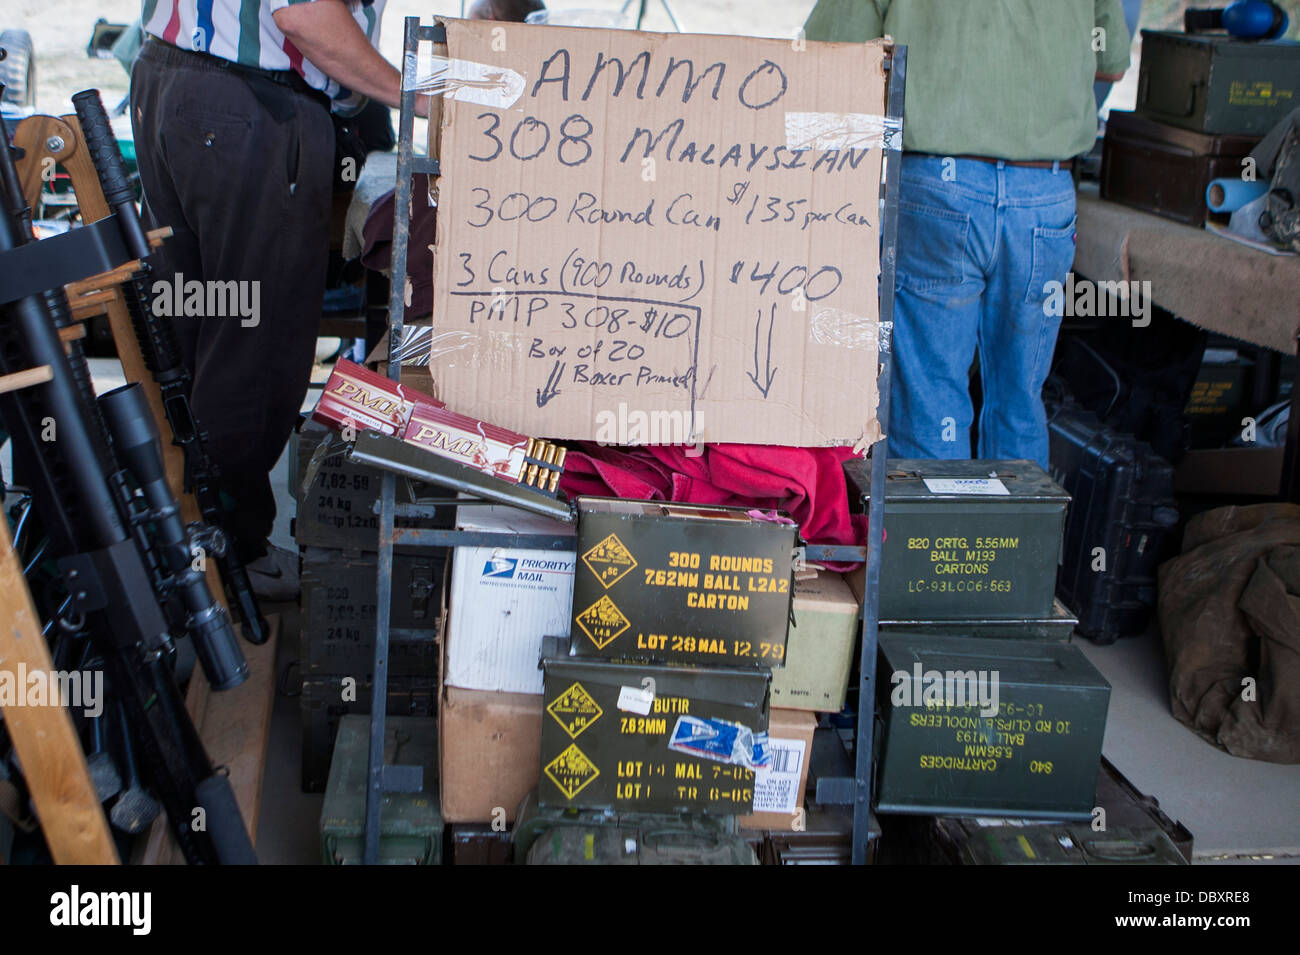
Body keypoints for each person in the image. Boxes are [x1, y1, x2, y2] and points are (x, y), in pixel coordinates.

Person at [131, 0, 422, 599]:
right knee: (254, 352)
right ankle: (228, 557)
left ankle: (181, 551)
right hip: (247, 110)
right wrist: (422, 95)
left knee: (194, 329)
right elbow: (307, 14)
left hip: (175, 81)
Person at [804, 1, 1131, 469]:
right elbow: (1113, 65)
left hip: (940, 187)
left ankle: (937, 541)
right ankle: (1013, 542)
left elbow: (831, 51)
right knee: (1020, 398)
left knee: (930, 401)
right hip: (1044, 192)